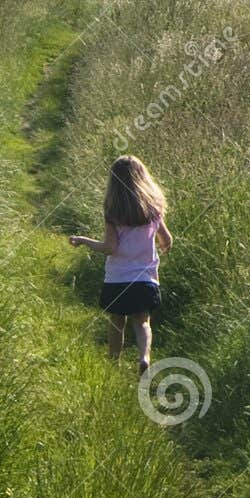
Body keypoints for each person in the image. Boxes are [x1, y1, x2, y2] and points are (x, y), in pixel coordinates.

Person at [70, 154, 172, 372]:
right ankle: (144, 357)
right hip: (145, 279)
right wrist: (159, 249)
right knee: (143, 322)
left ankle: (113, 363)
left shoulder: (113, 212)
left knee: (117, 321)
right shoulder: (153, 210)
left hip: (117, 279)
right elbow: (167, 241)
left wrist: (84, 241)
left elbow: (110, 248)